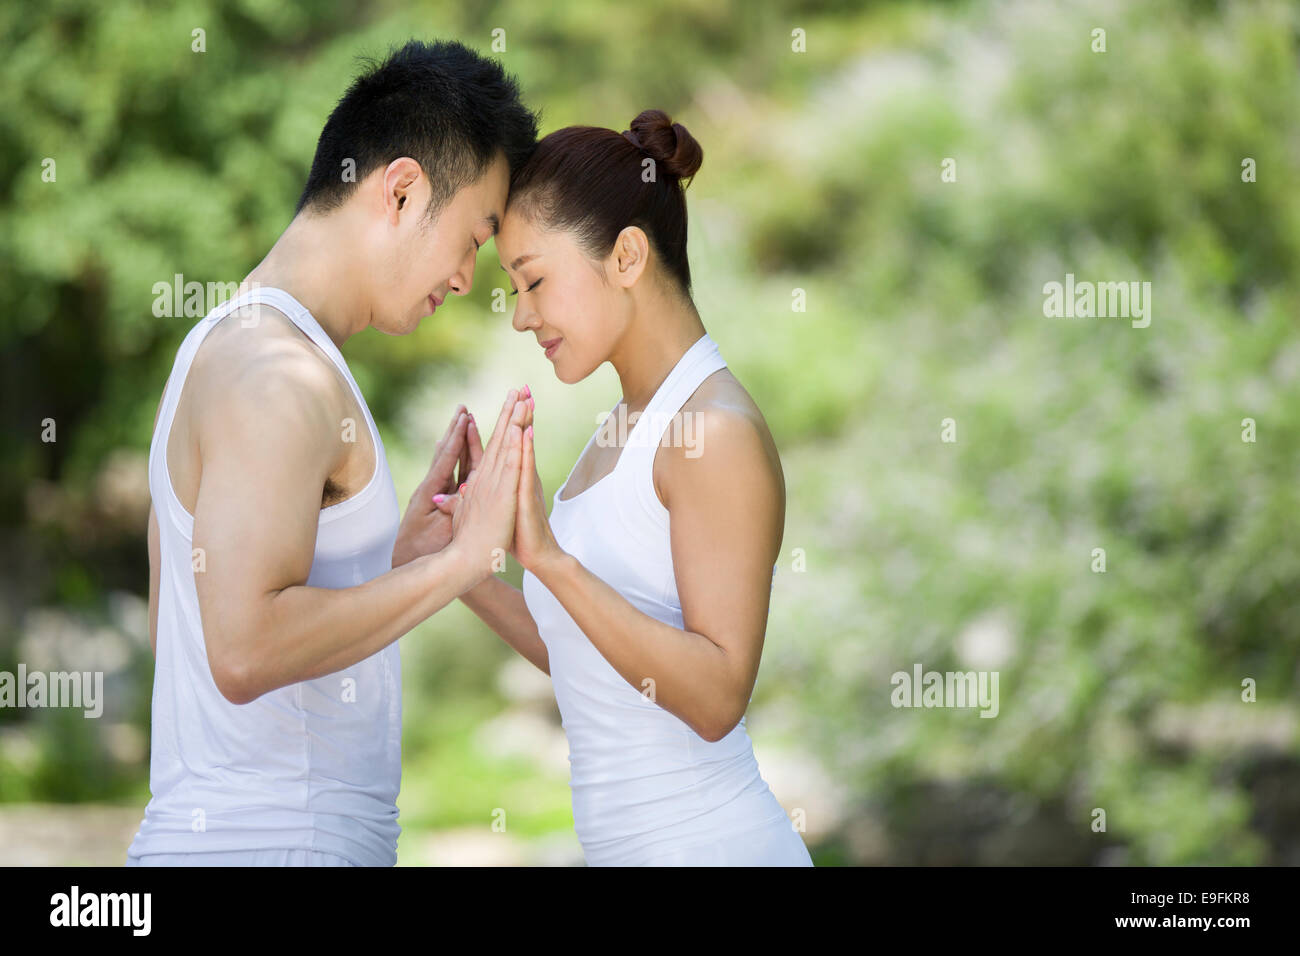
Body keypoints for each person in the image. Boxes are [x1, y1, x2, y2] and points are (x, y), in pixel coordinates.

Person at [126, 39, 538, 867]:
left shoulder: (243, 347)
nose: (466, 278)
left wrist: (397, 560)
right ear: (400, 189)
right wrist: (461, 566)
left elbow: (202, 634)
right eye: (471, 239)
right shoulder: (274, 373)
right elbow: (242, 650)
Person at [440, 109, 814, 865]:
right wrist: (464, 570)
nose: (521, 317)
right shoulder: (626, 423)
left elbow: (714, 698)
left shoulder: (711, 430)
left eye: (534, 280)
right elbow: (593, 664)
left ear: (628, 256)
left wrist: (549, 560)